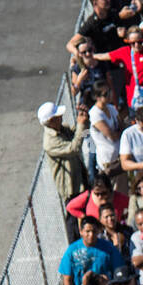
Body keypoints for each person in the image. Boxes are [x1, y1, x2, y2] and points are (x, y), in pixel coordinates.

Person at [37, 101, 90, 242]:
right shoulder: (50, 142)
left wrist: (85, 122)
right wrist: (80, 125)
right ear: (50, 121)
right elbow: (74, 148)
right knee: (73, 216)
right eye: (58, 116)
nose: (61, 118)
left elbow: (82, 135)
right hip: (70, 186)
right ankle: (74, 244)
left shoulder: (63, 129)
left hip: (80, 176)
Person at [91, 25, 143, 110]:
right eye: (133, 43)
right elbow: (103, 56)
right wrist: (89, 55)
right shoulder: (125, 52)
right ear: (128, 42)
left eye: (139, 42)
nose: (136, 45)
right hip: (135, 97)